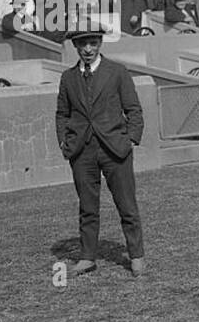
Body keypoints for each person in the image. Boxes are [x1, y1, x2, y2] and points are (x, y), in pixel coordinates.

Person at [54, 25, 147, 277]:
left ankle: (136, 255)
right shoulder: (68, 78)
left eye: (93, 43)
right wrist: (64, 140)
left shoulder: (117, 72)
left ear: (100, 44)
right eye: (82, 44)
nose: (88, 49)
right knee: (87, 206)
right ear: (75, 46)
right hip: (82, 151)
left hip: (116, 148)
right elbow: (62, 113)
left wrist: (131, 140)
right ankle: (87, 257)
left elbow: (134, 110)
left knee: (126, 205)